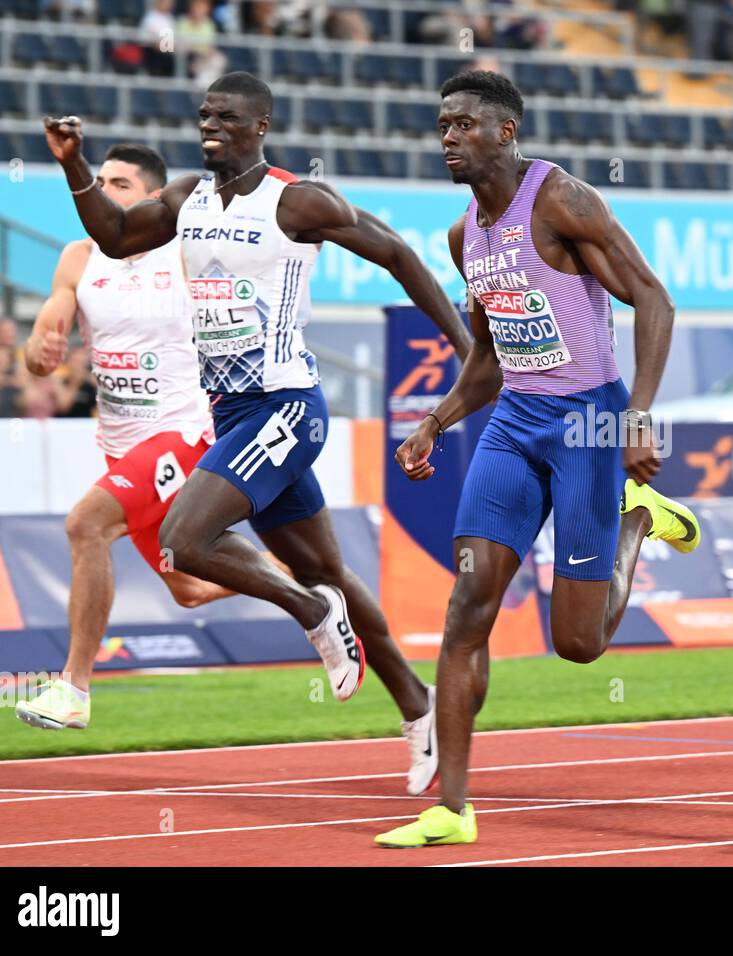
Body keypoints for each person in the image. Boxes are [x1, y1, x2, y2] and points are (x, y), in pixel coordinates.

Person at [42, 71, 474, 795]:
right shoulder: (188, 197)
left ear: (261, 127)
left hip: (287, 408)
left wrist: (466, 348)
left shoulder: (297, 201)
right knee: (328, 571)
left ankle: (310, 614)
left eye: (227, 117)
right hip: (233, 414)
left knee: (185, 541)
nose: (210, 126)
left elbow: (397, 253)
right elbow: (115, 238)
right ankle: (416, 704)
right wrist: (72, 164)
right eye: (204, 115)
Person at [373, 71, 700, 847]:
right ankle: (452, 809)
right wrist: (438, 420)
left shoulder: (563, 201)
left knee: (579, 645)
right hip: (516, 423)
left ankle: (636, 521)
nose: (448, 136)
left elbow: (654, 299)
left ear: (506, 131)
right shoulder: (463, 237)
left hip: (589, 422)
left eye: (463, 124)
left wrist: (639, 416)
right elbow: (487, 359)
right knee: (467, 607)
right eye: (442, 124)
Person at [16, 144, 238, 731]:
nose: (103, 191)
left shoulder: (184, 252)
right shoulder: (79, 257)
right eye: (100, 181)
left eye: (118, 183)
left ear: (151, 200)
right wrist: (40, 350)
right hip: (121, 444)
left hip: (181, 433)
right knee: (189, 588)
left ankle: (73, 689)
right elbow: (44, 340)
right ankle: (303, 583)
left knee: (86, 523)